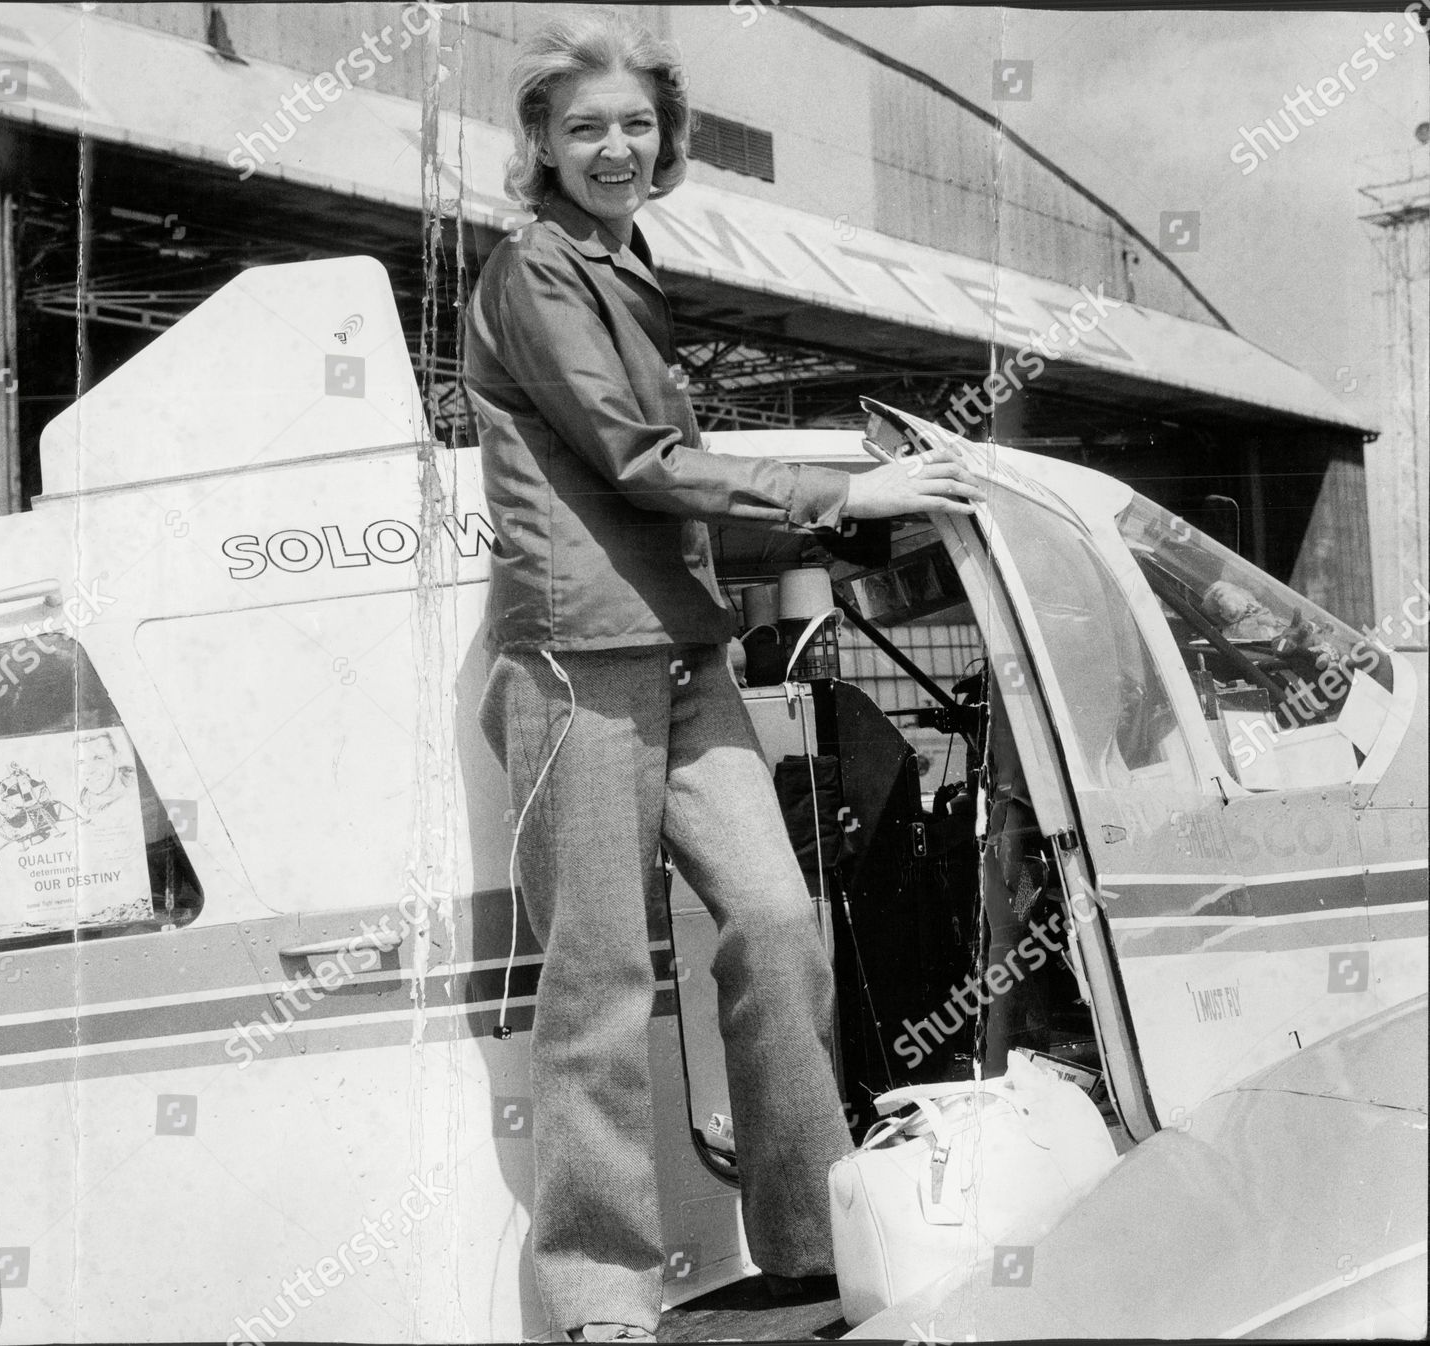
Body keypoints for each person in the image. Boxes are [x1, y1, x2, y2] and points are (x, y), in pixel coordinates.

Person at [464, 14, 984, 1342]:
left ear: (666, 134)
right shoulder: (538, 273)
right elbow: (644, 460)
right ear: (540, 145)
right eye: (584, 128)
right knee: (598, 979)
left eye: (635, 123)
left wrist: (848, 503)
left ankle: (815, 1239)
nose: (616, 145)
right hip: (583, 653)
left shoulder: (623, 261)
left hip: (681, 646)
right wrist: (840, 489)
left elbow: (677, 482)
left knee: (776, 914)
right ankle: (599, 1293)